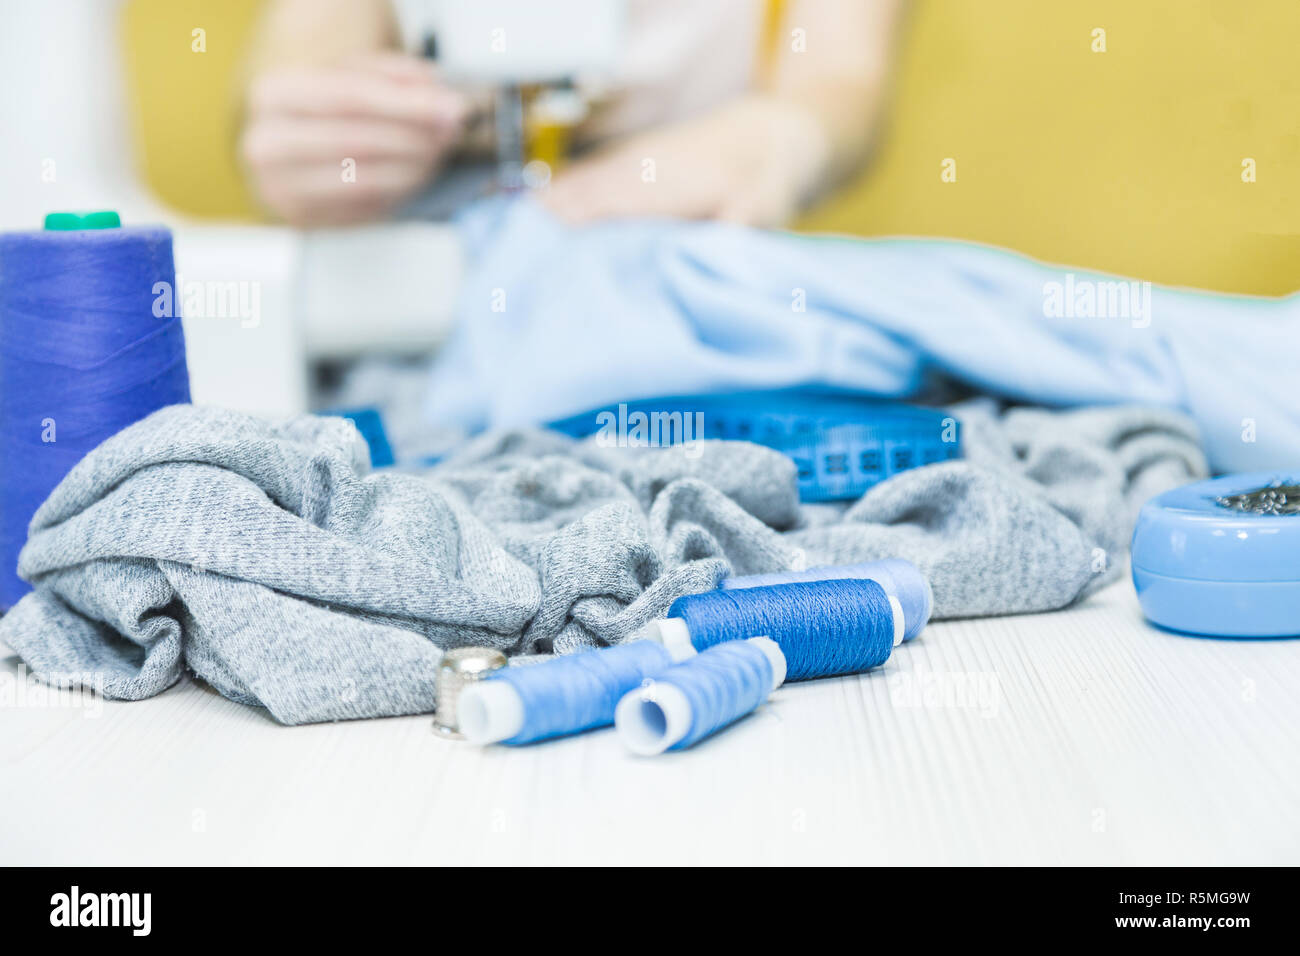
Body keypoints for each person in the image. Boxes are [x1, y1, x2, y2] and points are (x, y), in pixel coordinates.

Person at [239, 0, 903, 228]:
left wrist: (779, 141)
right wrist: (311, 141)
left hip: (688, 251)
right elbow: (295, 66)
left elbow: (838, 83)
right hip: (399, 275)